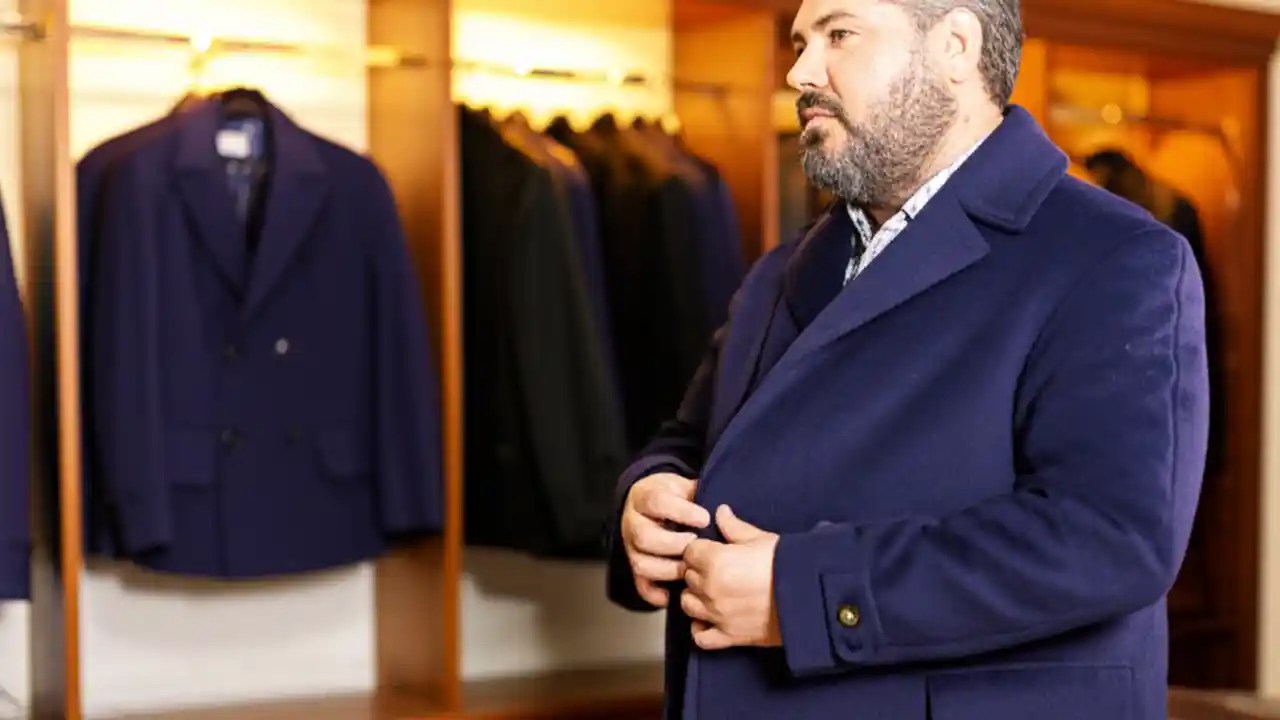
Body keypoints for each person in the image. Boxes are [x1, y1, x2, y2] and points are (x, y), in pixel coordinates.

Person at [604, 1, 1209, 718]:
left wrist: (800, 595)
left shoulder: (1116, 258)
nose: (798, 71)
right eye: (799, 43)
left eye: (838, 34)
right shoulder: (780, 271)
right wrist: (646, 498)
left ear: (955, 47)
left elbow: (1112, 538)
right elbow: (689, 440)